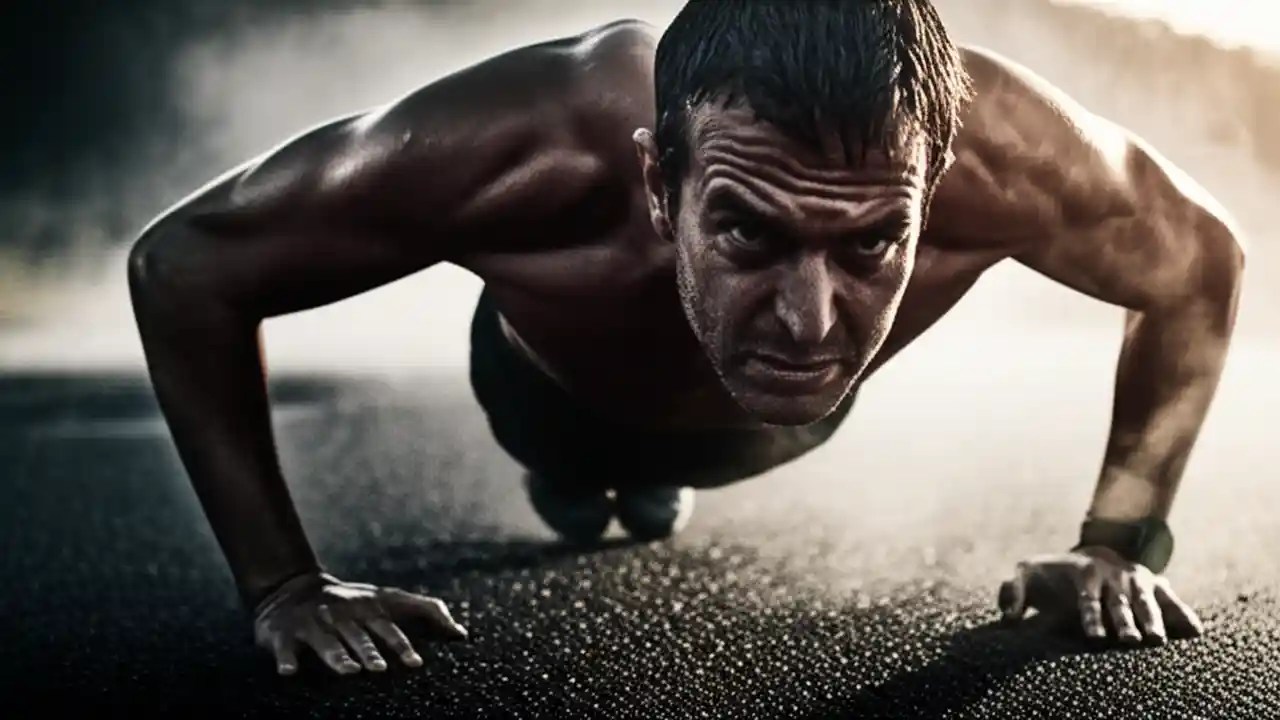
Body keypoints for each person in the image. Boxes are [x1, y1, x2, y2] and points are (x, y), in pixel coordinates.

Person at [128, 1, 1244, 677]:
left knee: (664, 477)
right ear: (657, 182)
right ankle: (578, 481)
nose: (810, 320)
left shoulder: (1010, 157)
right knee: (577, 486)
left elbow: (1202, 263)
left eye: (867, 246)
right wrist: (283, 586)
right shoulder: (530, 143)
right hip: (546, 400)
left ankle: (637, 484)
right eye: (748, 230)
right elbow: (185, 265)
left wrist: (1116, 542)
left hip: (772, 433)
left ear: (935, 181)